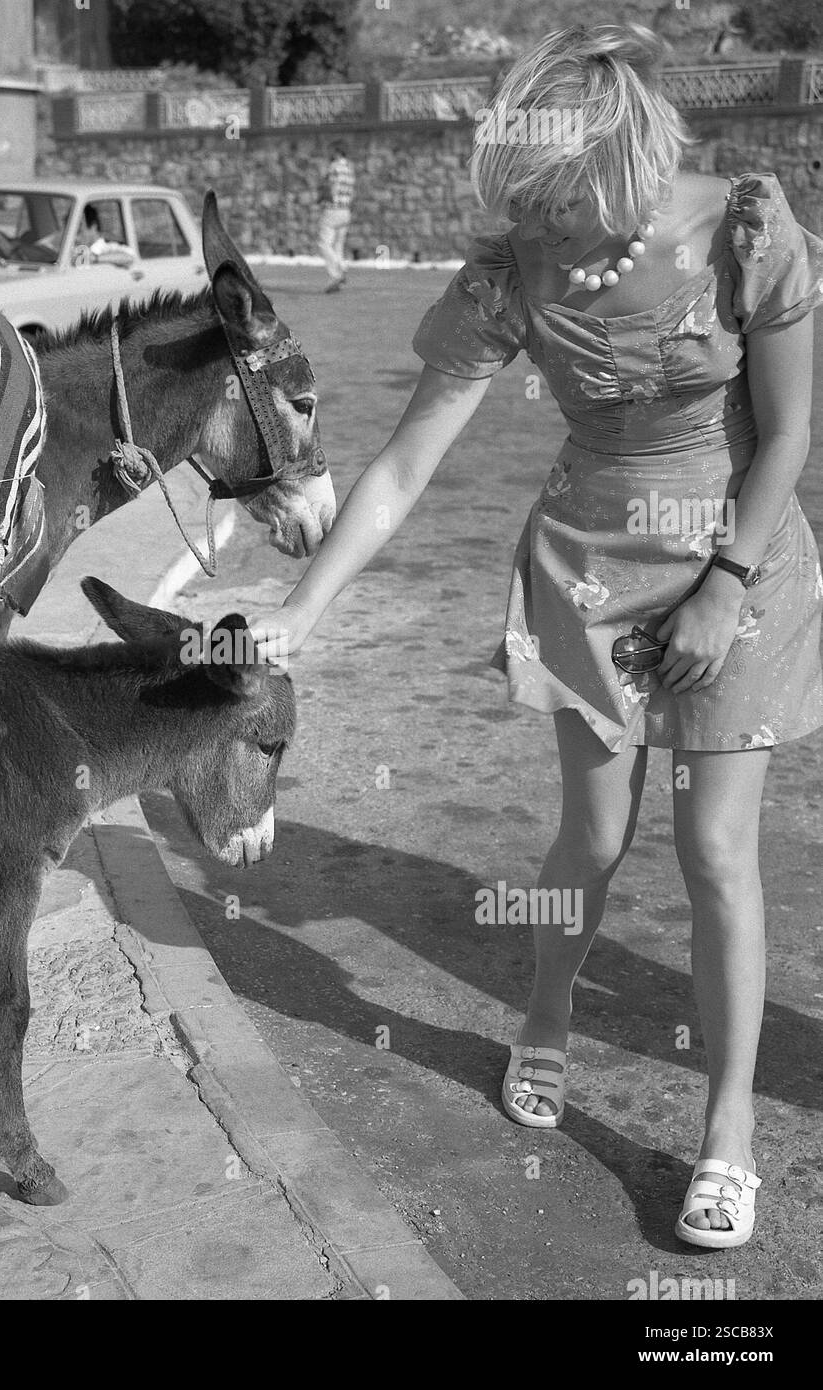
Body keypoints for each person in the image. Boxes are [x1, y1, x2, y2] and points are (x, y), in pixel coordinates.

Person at [250, 22, 823, 1250]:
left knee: (716, 850)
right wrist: (299, 612)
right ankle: (548, 1012)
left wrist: (723, 580)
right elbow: (408, 462)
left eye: (562, 212)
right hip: (589, 569)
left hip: (739, 558)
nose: (543, 241)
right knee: (592, 834)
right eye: (529, 213)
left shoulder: (748, 234)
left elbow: (783, 434)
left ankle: (726, 1129)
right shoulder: (511, 272)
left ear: (620, 173)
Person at [317, 144, 354, 293]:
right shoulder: (349, 169)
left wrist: (321, 199)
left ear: (337, 152)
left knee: (323, 243)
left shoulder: (334, 167)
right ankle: (341, 269)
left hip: (333, 209)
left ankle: (337, 272)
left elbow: (330, 188)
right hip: (345, 210)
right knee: (338, 245)